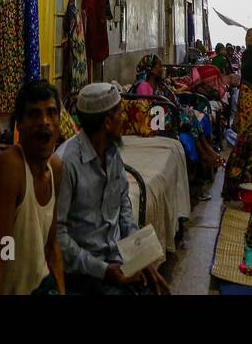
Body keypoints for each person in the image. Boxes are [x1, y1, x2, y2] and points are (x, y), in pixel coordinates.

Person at [56, 83, 169, 294]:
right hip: (83, 270)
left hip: (115, 258)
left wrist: (142, 259)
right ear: (107, 122)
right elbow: (58, 236)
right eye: (120, 113)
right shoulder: (66, 164)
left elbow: (124, 208)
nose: (124, 119)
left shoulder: (112, 152)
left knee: (153, 284)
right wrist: (105, 270)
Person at [0, 80, 66, 295]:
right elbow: (1, 250)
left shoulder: (56, 168)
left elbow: (51, 246)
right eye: (34, 114)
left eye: (51, 113)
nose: (44, 121)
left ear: (60, 122)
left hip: (40, 286)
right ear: (19, 125)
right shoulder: (11, 168)